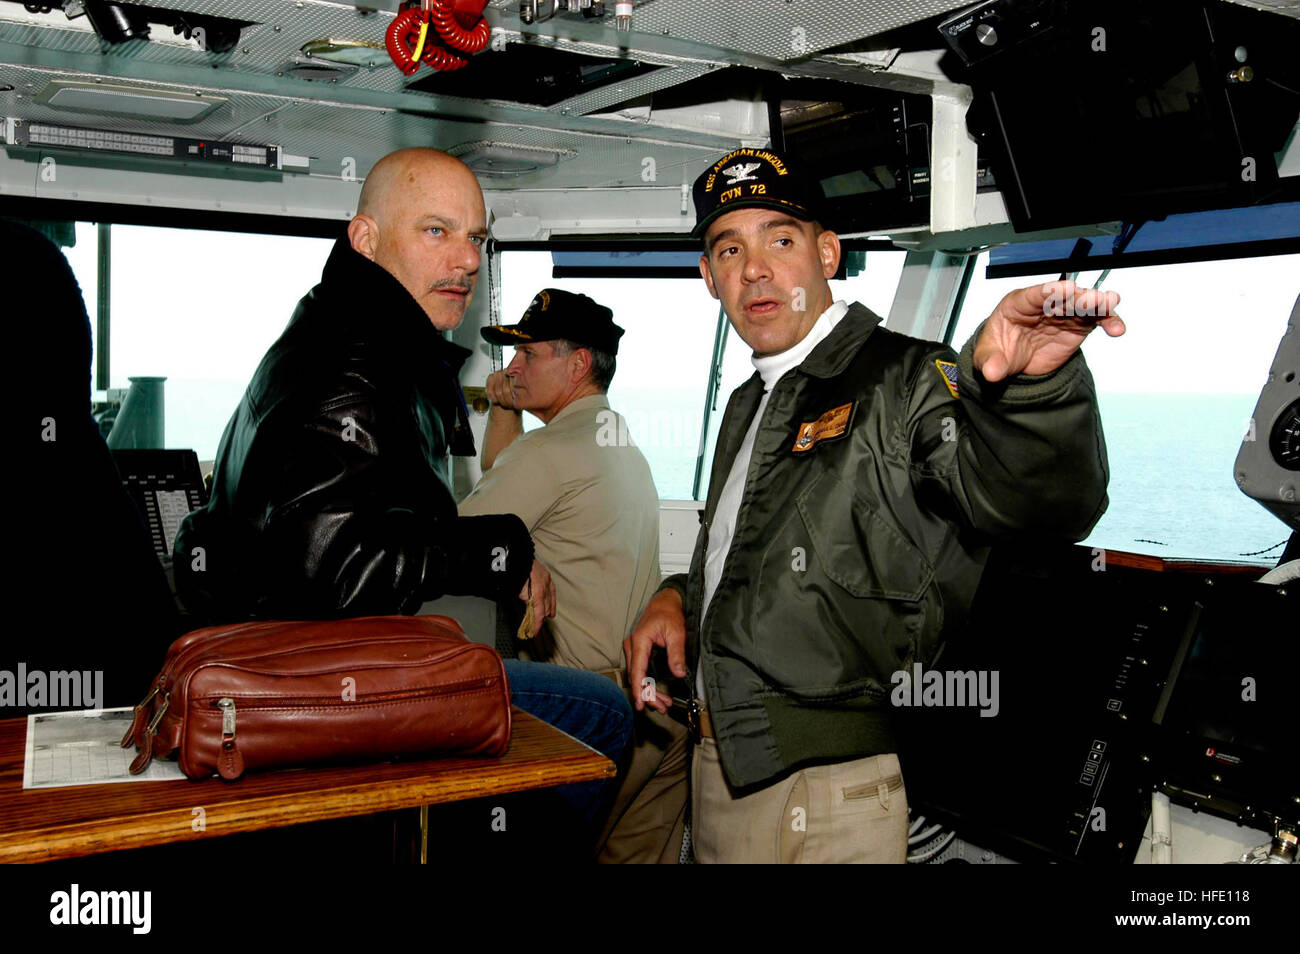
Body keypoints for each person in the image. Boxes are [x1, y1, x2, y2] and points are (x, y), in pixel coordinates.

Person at [625, 148, 1123, 863]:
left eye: (781, 239)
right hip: (720, 764)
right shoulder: (751, 401)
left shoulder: (909, 377)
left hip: (825, 786)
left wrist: (1032, 395)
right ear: (709, 277)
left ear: (828, 254)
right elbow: (741, 552)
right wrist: (679, 595)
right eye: (728, 248)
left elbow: (1042, 508)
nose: (754, 268)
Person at [172, 148, 631, 835]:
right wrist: (490, 556)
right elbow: (329, 567)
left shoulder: (343, 335)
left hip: (303, 667)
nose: (469, 260)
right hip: (317, 681)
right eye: (436, 231)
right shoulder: (356, 362)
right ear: (365, 238)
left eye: (476, 237)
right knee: (603, 711)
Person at [459, 289, 688, 863]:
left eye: (527, 355)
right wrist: (507, 406)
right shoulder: (615, 437)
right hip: (662, 709)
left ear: (578, 363)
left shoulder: (549, 452)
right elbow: (505, 481)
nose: (512, 368)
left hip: (596, 710)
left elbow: (456, 544)